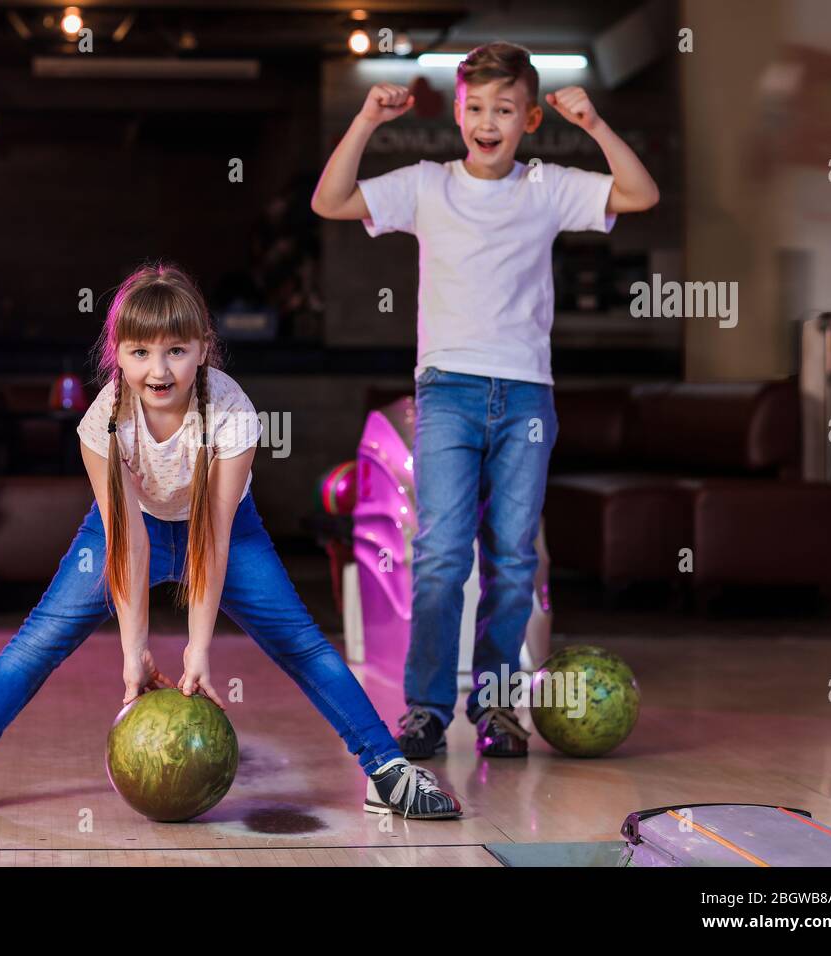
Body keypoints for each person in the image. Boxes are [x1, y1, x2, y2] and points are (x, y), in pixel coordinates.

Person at [0, 263, 461, 819]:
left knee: (300, 643)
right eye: (141, 352)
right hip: (128, 528)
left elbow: (212, 535)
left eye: (177, 351)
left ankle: (387, 771)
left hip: (225, 528)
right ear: (117, 357)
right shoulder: (103, 423)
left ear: (203, 349)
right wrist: (136, 653)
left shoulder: (230, 412)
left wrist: (198, 652)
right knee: (38, 639)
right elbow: (126, 542)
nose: (160, 370)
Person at [311, 41, 659, 758]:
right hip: (447, 392)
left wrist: (592, 124)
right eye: (475, 107)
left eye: (504, 108)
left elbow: (640, 193)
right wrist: (368, 121)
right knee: (440, 554)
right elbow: (331, 199)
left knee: (513, 559)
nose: (487, 120)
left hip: (527, 397)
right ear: (460, 115)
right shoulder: (426, 184)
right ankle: (427, 709)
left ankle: (496, 709)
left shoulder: (550, 186)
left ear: (530, 118)